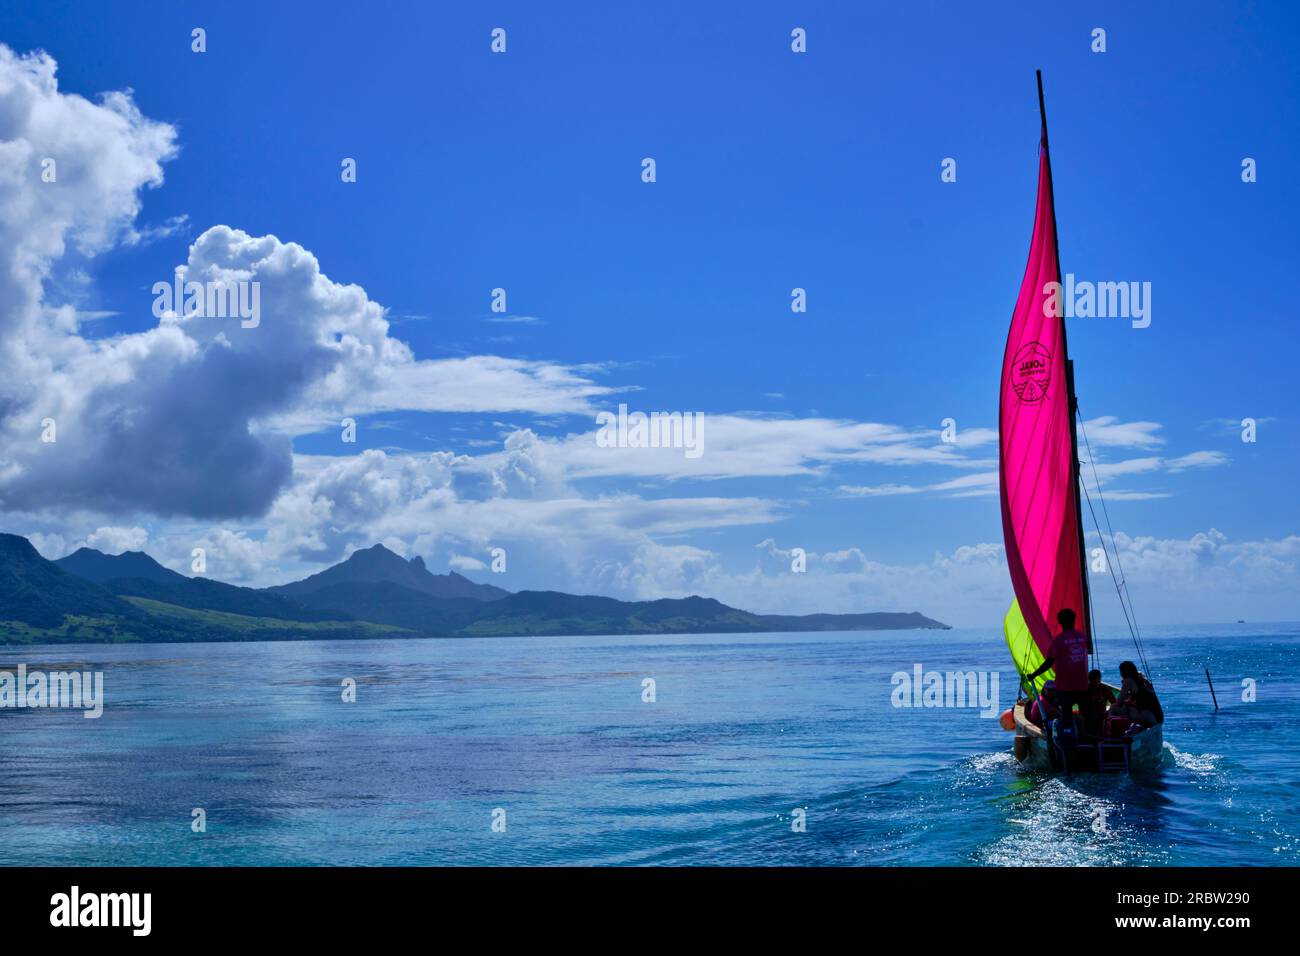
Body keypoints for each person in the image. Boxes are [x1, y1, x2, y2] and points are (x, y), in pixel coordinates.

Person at [1024, 608, 1091, 723]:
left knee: (1066, 716)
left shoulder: (1058, 640)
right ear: (1074, 620)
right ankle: (1087, 731)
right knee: (1085, 714)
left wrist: (1034, 674)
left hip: (1065, 687)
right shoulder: (1083, 637)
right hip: (1082, 684)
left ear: (1060, 622)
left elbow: (1049, 663)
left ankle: (1068, 731)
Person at [1111, 660, 1163, 726]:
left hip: (1148, 717)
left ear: (1123, 672)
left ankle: (1111, 730)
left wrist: (1124, 687)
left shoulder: (1128, 681)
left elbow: (1119, 702)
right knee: (1127, 707)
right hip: (1158, 718)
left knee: (1113, 708)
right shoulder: (1143, 680)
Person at [1083, 669, 1115, 737]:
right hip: (1089, 716)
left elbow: (1114, 702)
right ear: (1089, 680)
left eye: (1098, 681)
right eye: (1094, 682)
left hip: (1101, 715)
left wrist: (1108, 712)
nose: (1096, 684)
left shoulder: (1104, 689)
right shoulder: (1085, 690)